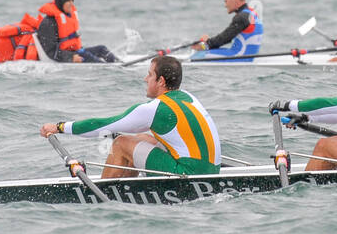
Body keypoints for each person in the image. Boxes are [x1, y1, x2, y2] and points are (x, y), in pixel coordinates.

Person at [39, 56, 220, 177]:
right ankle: (126, 186)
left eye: (150, 75)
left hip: (187, 174)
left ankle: (104, 191)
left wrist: (60, 127)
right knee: (142, 138)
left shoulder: (155, 109)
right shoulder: (189, 98)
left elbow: (103, 126)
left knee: (121, 143)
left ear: (161, 81)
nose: (145, 79)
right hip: (211, 171)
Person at [18, 0, 117, 63]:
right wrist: (71, 57)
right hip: (64, 57)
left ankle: (119, 64)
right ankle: (108, 69)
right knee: (88, 56)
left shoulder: (67, 16)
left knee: (102, 49)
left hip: (75, 51)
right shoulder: (48, 24)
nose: (71, 4)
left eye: (71, 1)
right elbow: (51, 52)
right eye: (67, 2)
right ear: (61, 4)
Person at [190, 0, 264, 62]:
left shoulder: (242, 17)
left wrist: (205, 44)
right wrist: (207, 43)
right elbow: (225, 38)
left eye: (226, 1)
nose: (225, 5)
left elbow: (225, 38)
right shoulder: (252, 13)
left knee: (197, 56)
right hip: (247, 57)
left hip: (239, 57)